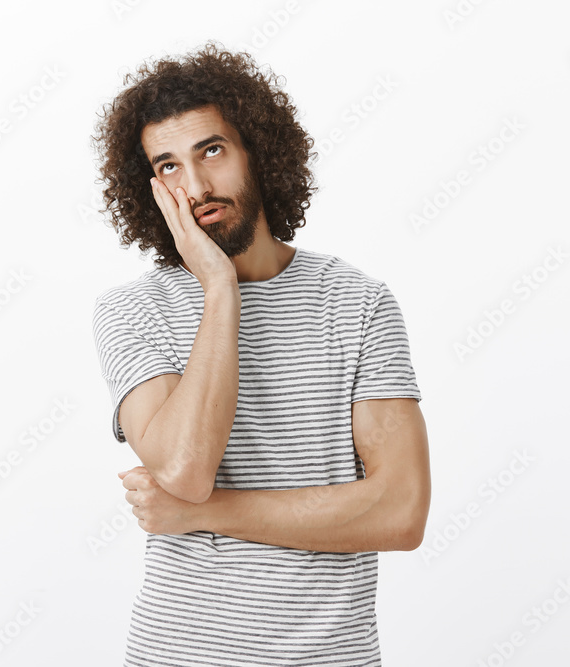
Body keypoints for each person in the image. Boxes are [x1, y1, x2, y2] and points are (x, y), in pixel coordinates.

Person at [89, 41, 430, 666]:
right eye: (168, 166)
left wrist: (200, 514)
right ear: (151, 190)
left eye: (211, 150)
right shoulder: (133, 311)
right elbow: (187, 467)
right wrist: (220, 288)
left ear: (258, 150)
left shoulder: (359, 303)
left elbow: (401, 510)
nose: (195, 186)